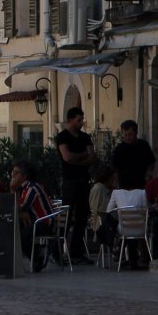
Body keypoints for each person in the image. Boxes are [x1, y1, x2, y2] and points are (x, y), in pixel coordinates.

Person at [55, 107, 96, 264]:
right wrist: (83, 156)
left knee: (81, 217)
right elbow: (67, 157)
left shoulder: (85, 137)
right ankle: (58, 251)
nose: (81, 123)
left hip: (83, 181)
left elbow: (92, 157)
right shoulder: (63, 137)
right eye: (78, 119)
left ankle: (76, 252)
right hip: (69, 181)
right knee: (66, 216)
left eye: (82, 119)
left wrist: (79, 158)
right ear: (70, 119)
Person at [10, 161, 55, 271]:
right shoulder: (25, 188)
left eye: (16, 172)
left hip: (45, 223)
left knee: (20, 236)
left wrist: (12, 189)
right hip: (34, 222)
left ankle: (37, 257)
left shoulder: (32, 188)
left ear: (25, 176)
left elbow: (19, 207)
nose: (12, 175)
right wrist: (21, 212)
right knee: (13, 229)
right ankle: (35, 256)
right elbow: (18, 208)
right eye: (12, 172)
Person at [110, 120, 157, 191]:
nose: (128, 137)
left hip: (141, 184)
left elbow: (151, 163)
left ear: (136, 133)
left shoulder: (143, 145)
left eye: (130, 134)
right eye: (125, 135)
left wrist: (148, 174)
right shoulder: (119, 149)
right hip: (124, 186)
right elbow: (115, 168)